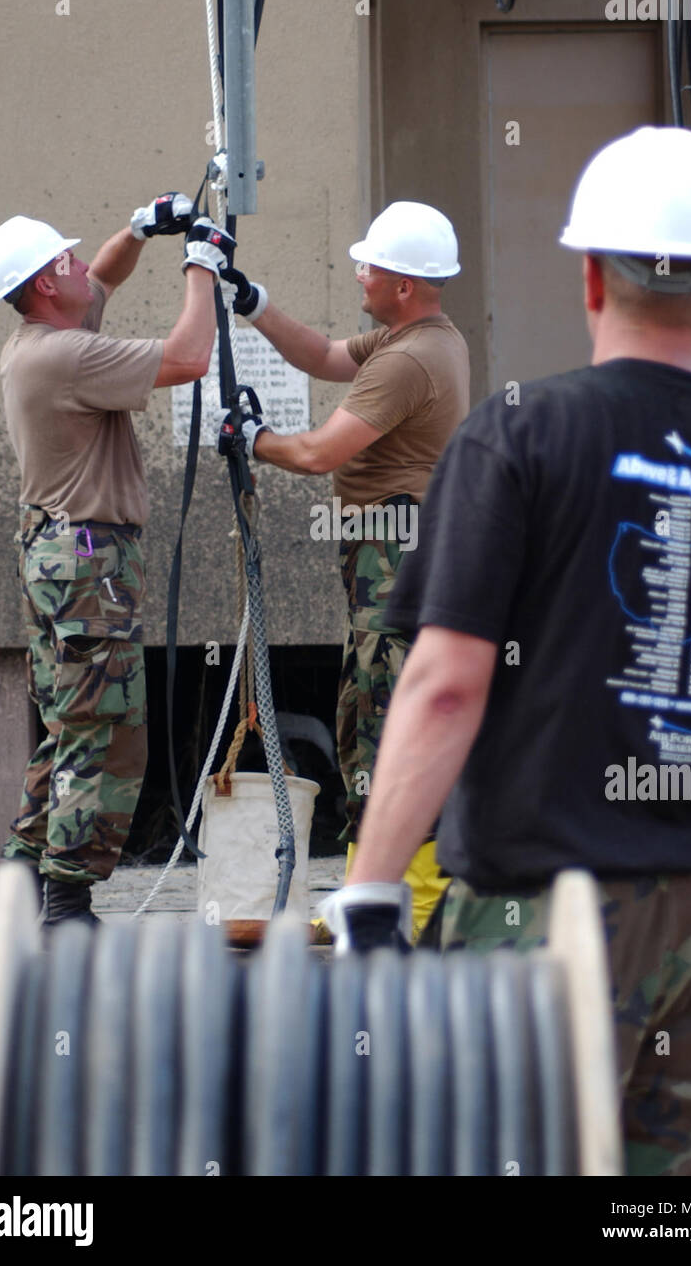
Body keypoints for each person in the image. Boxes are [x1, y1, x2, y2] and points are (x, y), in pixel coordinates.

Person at [322, 127, 691, 1175]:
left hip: (547, 912)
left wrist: (372, 887)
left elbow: (444, 687)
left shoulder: (516, 437)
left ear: (587, 276)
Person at [0, 199, 234, 924]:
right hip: (90, 558)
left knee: (68, 722)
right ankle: (66, 905)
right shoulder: (67, 356)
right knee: (106, 730)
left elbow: (101, 279)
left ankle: (21, 883)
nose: (80, 266)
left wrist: (142, 228)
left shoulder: (39, 339)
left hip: (58, 555)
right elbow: (188, 358)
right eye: (65, 261)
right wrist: (201, 265)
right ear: (43, 284)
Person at [220, 203, 469, 939]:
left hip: (396, 557)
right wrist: (256, 305)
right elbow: (325, 357)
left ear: (401, 283)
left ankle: (415, 905)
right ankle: (372, 894)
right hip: (382, 552)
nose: (357, 270)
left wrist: (253, 438)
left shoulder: (408, 359)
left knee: (392, 721)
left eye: (369, 265)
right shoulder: (418, 334)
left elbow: (319, 453)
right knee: (366, 721)